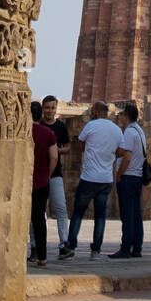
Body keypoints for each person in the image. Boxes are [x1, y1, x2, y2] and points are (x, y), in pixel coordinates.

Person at [62, 101, 128, 259]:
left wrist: (92, 151)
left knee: (78, 213)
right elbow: (123, 151)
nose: (91, 113)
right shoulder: (117, 130)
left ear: (97, 112)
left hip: (89, 178)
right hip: (106, 180)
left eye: (93, 111)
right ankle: (96, 250)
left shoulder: (90, 126)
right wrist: (110, 155)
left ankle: (71, 246)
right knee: (100, 216)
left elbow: (80, 145)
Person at [110, 102, 146, 258]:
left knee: (127, 214)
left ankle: (126, 248)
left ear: (126, 116)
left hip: (128, 177)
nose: (120, 117)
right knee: (136, 214)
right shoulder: (140, 131)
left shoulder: (129, 132)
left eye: (122, 114)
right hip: (137, 177)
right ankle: (137, 247)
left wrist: (119, 174)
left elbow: (127, 156)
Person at [41, 94, 71, 256]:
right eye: (47, 107)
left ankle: (64, 244)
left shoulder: (60, 127)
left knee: (61, 208)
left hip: (55, 174)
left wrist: (57, 150)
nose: (50, 111)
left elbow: (67, 147)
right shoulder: (38, 125)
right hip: (39, 174)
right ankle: (35, 245)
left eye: (52, 108)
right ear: (43, 109)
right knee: (38, 212)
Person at [29, 100, 58, 266]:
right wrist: (47, 174)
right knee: (39, 219)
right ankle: (42, 257)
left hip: (23, 181)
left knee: (21, 219)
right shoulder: (48, 133)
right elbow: (54, 157)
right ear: (40, 115)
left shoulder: (20, 132)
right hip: (41, 181)